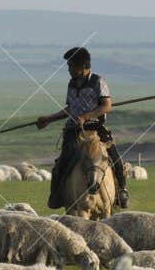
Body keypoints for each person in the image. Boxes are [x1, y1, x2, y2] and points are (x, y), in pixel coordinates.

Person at [40, 47, 129, 210]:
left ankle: (122, 192)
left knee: (115, 158)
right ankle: (56, 196)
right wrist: (49, 119)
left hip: (95, 128)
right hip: (74, 132)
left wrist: (86, 116)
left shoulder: (98, 81)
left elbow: (107, 106)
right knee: (61, 164)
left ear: (80, 66)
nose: (68, 70)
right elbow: (69, 109)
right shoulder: (72, 84)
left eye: (70, 66)